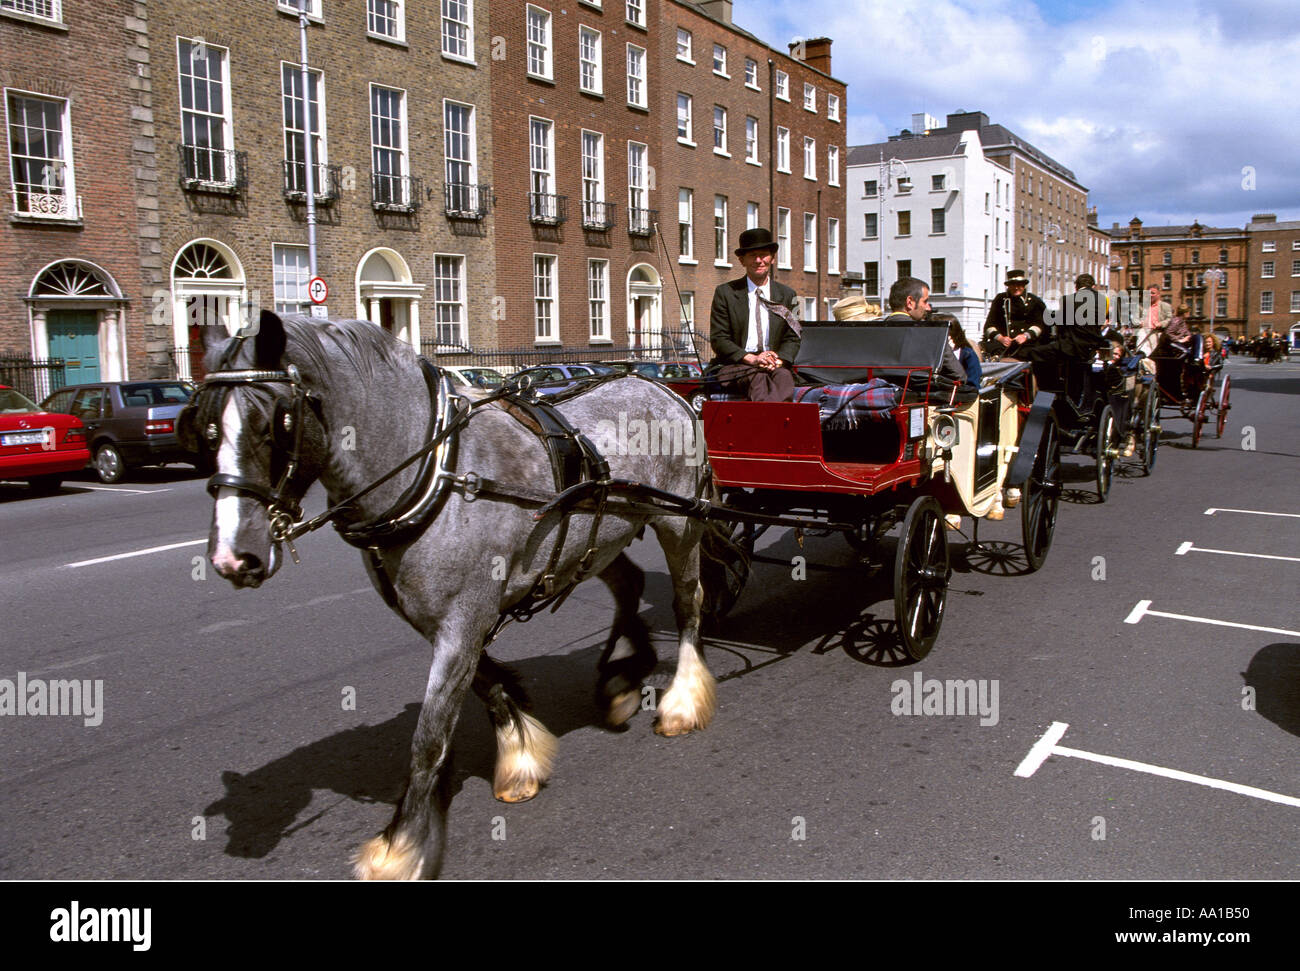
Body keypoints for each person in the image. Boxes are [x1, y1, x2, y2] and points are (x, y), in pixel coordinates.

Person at [709, 227, 801, 401]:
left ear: (772, 258)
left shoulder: (789, 295)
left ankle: (772, 425)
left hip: (775, 364)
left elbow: (793, 336)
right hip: (737, 365)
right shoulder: (725, 293)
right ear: (742, 260)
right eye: (752, 256)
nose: (759, 260)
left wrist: (779, 360)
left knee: (784, 378)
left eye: (764, 255)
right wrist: (752, 359)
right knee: (757, 378)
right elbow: (719, 339)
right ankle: (771, 426)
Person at [882, 277, 966, 385]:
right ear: (910, 302)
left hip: (876, 395)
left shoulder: (871, 332)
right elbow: (959, 376)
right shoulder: (931, 333)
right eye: (925, 301)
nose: (928, 308)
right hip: (918, 397)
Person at [983, 269, 1047, 360]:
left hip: (1026, 344)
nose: (1016, 287)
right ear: (1008, 286)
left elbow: (1039, 325)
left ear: (1024, 286)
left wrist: (1025, 336)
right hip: (1002, 344)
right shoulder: (1000, 299)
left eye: (1019, 285)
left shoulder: (1034, 301)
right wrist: (1001, 338)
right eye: (1013, 284)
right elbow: (989, 326)